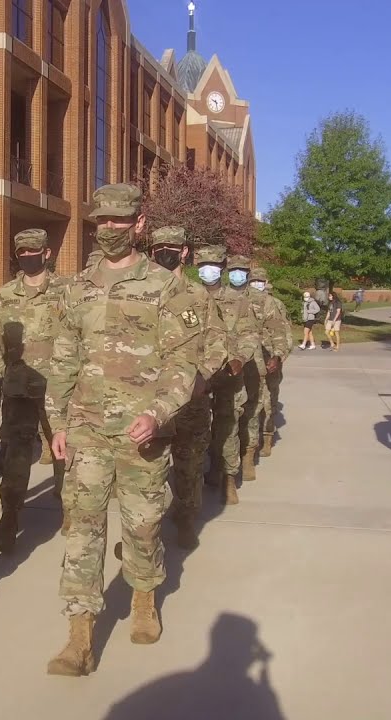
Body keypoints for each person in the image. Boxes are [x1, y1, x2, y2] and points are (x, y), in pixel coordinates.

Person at [44, 184, 201, 676]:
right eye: (102, 220)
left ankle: (144, 597)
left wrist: (158, 412)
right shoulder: (76, 288)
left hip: (142, 435)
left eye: (119, 220)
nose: (109, 228)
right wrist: (58, 421)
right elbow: (62, 359)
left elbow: (184, 362)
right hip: (87, 431)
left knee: (143, 526)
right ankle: (79, 637)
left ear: (139, 224)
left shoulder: (167, 287)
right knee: (82, 531)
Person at [0, 228, 72, 553]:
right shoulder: (6, 294)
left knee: (64, 452)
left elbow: (80, 339)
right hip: (18, 390)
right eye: (23, 252)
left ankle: (72, 514)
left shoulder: (67, 290)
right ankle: (9, 522)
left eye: (34, 251)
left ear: (47, 253)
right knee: (16, 457)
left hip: (58, 388)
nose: (29, 257)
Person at [149, 231, 231, 549]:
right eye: (157, 248)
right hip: (150, 398)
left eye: (169, 247)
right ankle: (146, 535)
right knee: (148, 471)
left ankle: (185, 521)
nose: (163, 253)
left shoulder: (198, 296)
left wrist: (203, 377)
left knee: (189, 466)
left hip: (190, 398)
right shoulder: (140, 293)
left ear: (184, 252)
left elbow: (217, 341)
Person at [210, 254, 263, 503]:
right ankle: (209, 470)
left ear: (221, 268)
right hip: (195, 375)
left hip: (228, 374)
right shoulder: (188, 295)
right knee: (196, 429)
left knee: (227, 425)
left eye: (212, 265)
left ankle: (229, 479)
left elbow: (250, 334)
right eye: (203, 266)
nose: (207, 270)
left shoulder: (237, 300)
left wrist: (240, 358)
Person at [249, 266, 293, 459]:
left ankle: (267, 436)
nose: (256, 284)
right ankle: (251, 439)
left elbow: (285, 332)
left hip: (270, 358)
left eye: (259, 281)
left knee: (269, 399)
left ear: (266, 283)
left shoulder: (276, 304)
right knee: (253, 401)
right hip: (251, 360)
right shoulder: (244, 301)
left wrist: (279, 356)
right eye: (253, 281)